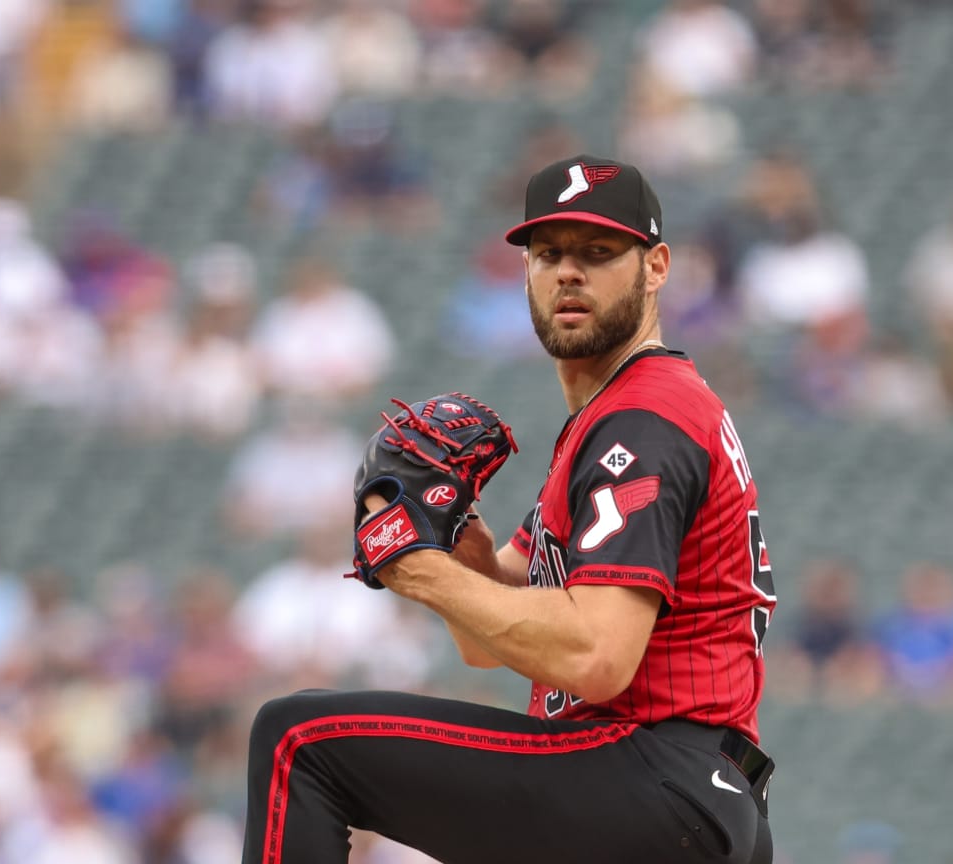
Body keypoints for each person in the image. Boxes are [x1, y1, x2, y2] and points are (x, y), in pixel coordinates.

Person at [241, 155, 778, 863]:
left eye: (599, 252)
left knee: (297, 743)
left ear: (656, 267)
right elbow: (483, 638)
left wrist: (418, 568)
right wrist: (459, 546)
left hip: (652, 773)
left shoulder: (644, 418)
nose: (568, 273)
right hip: (681, 798)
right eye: (549, 253)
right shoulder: (615, 420)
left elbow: (596, 656)